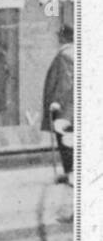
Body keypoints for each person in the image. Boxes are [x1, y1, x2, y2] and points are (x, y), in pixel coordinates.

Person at [42, 25, 74, 179]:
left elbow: (63, 83)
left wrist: (55, 101)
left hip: (65, 106)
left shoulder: (63, 56)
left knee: (65, 139)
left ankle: (70, 172)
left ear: (63, 38)